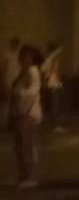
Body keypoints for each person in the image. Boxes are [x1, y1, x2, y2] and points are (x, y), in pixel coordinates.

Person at [10, 44, 42, 189]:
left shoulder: (32, 72)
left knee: (26, 146)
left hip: (28, 114)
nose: (22, 59)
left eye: (26, 56)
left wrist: (23, 108)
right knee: (20, 147)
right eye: (22, 56)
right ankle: (24, 176)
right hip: (20, 113)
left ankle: (31, 177)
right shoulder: (24, 72)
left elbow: (31, 93)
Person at [40, 42, 65, 133]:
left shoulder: (47, 59)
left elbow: (43, 71)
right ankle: (55, 126)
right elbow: (55, 72)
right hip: (54, 84)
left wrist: (45, 81)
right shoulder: (54, 59)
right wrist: (59, 83)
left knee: (49, 105)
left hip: (48, 84)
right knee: (55, 105)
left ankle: (49, 124)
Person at [0, 37, 20, 123]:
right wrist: (3, 82)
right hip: (8, 81)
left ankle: (13, 122)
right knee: (6, 103)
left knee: (16, 103)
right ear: (11, 44)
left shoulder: (18, 55)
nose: (15, 46)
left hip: (17, 82)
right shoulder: (7, 54)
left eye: (17, 44)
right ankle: (3, 122)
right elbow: (3, 68)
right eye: (14, 44)